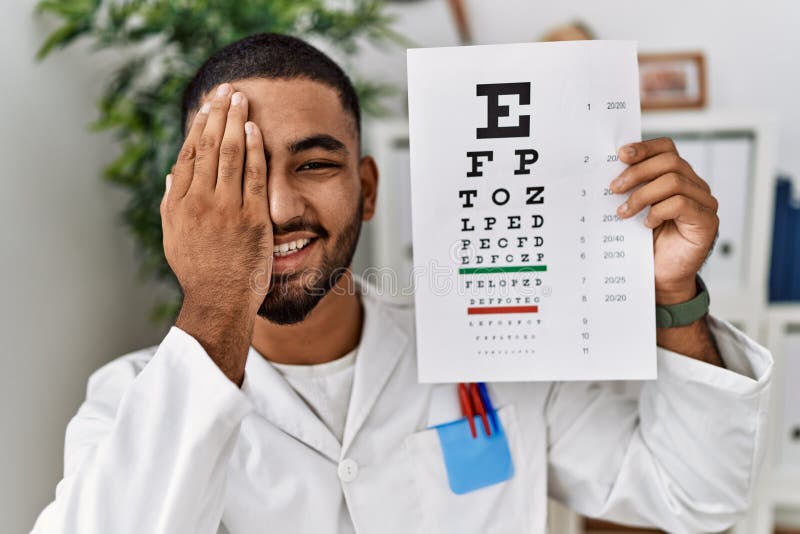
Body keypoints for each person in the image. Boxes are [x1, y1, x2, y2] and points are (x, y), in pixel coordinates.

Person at [32, 33, 772, 534]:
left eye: (315, 164)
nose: (282, 207)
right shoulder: (131, 400)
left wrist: (676, 293)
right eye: (245, 174)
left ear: (368, 186)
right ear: (190, 204)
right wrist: (217, 297)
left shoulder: (488, 347)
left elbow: (695, 498)